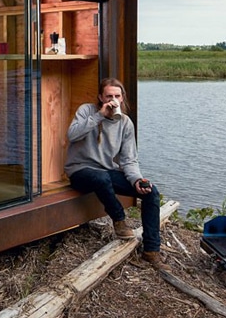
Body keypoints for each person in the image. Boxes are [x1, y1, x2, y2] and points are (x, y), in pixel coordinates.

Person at [64, 77, 165, 268]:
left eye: (117, 96)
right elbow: (72, 135)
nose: (113, 100)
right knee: (101, 177)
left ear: (122, 98)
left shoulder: (125, 123)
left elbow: (129, 160)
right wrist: (100, 115)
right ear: (100, 97)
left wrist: (136, 180)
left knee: (152, 192)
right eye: (108, 96)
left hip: (106, 172)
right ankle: (119, 220)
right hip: (80, 170)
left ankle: (152, 250)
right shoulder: (87, 111)